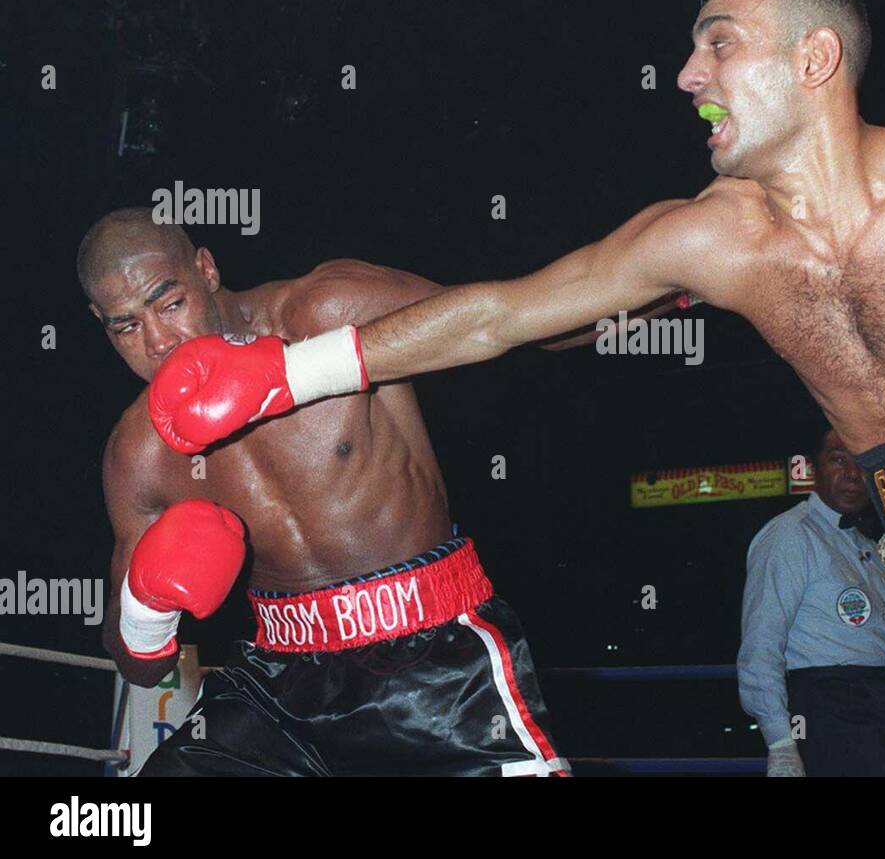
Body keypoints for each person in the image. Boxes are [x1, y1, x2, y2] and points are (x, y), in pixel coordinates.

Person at [142, 0, 885, 776]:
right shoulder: (706, 237)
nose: (684, 75)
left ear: (815, 62)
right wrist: (289, 375)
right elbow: (502, 314)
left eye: (718, 43)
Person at [81, 208, 569, 776]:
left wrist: (652, 295)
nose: (160, 341)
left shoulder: (326, 311)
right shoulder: (138, 452)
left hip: (431, 661)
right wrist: (147, 609)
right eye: (127, 327)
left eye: (170, 304)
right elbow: (134, 662)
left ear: (206, 269)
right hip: (274, 688)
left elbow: (510, 317)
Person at [739, 427, 885, 777]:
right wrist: (780, 743)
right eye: (839, 460)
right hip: (828, 712)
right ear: (814, 469)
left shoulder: (869, 546)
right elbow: (761, 643)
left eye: (863, 465)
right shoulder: (789, 535)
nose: (853, 475)